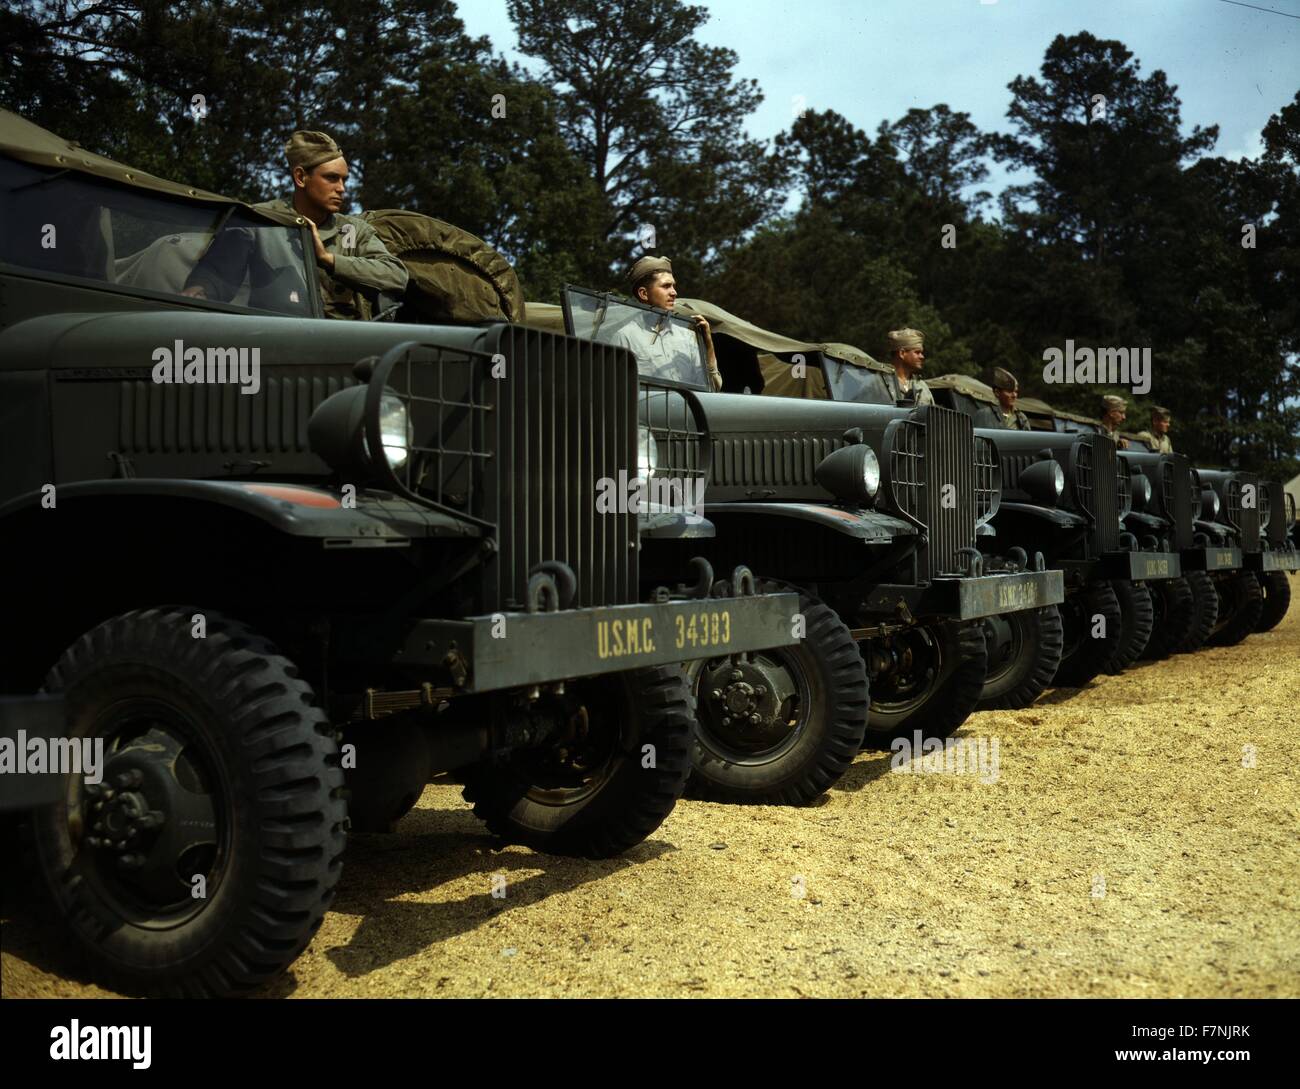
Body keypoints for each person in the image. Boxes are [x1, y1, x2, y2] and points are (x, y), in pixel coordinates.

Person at [184, 130, 407, 319]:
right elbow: (214, 277)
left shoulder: (354, 231)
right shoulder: (257, 223)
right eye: (331, 178)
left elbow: (396, 276)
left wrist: (329, 260)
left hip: (343, 346)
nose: (342, 188)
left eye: (344, 179)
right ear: (301, 177)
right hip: (278, 340)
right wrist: (199, 292)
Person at [610, 256, 722, 390]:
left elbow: (713, 388)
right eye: (666, 286)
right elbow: (616, 392)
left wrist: (708, 346)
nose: (674, 292)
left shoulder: (687, 336)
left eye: (673, 286)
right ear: (644, 294)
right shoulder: (624, 337)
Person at [883, 328, 933, 406]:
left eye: (921, 353)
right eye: (917, 352)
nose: (922, 356)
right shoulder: (881, 383)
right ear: (902, 353)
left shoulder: (921, 386)